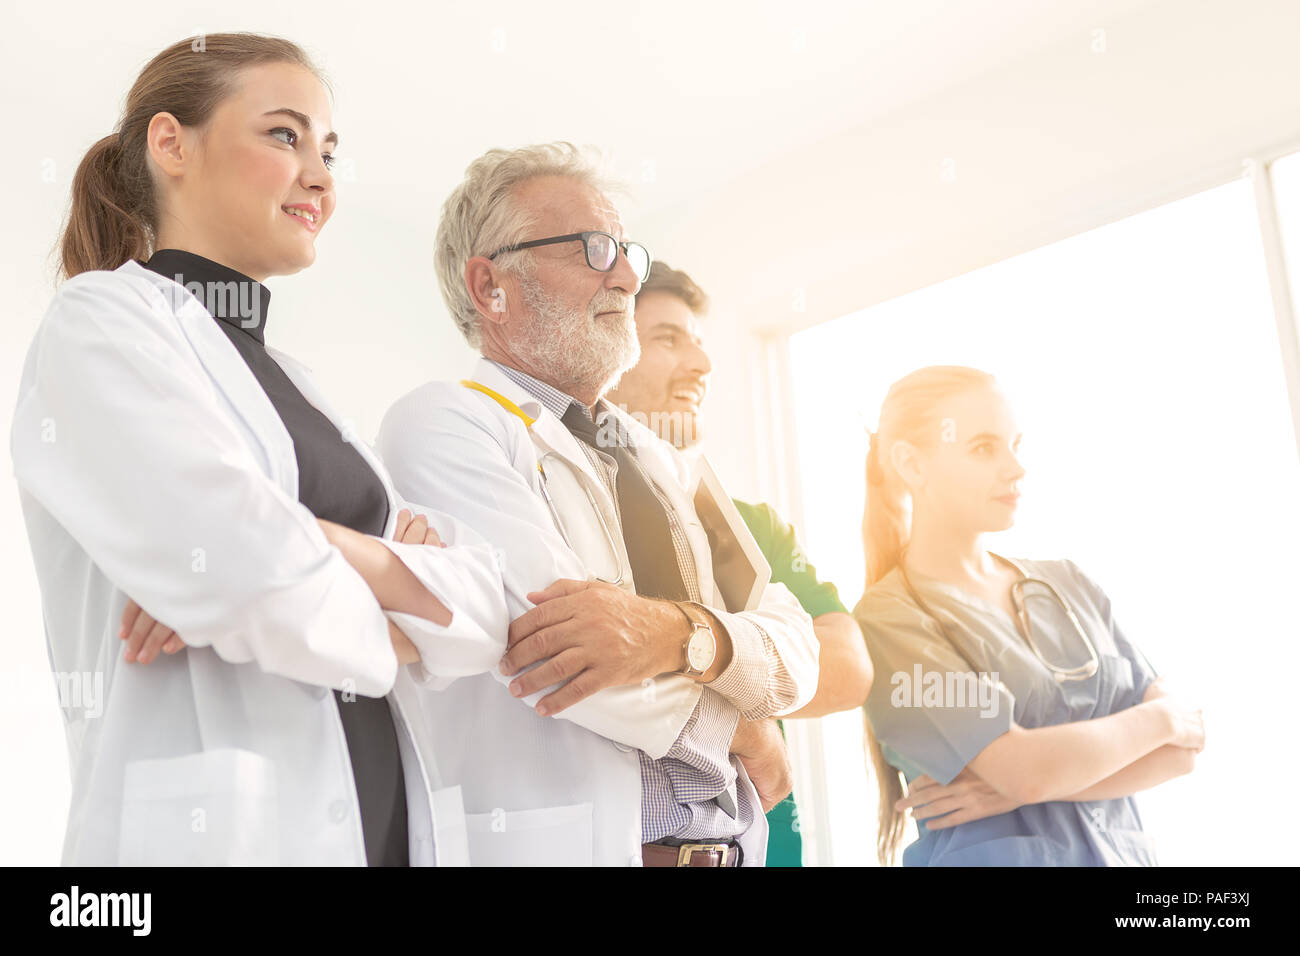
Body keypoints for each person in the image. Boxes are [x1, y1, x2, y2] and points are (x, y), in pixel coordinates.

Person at [9, 34, 509, 866]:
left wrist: (329, 545)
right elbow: (244, 573)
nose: (320, 175)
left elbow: (486, 605)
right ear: (171, 143)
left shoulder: (299, 386)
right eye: (284, 136)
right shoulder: (100, 323)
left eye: (329, 151)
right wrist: (402, 611)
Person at [376, 143, 821, 866]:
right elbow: (556, 654)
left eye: (626, 253)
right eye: (592, 249)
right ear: (491, 286)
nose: (624, 276)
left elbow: (796, 647)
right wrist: (741, 728)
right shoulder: (442, 423)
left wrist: (684, 634)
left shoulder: (668, 458)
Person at [855, 365, 1204, 866]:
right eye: (984, 447)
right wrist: (1161, 718)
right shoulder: (890, 620)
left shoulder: (1067, 583)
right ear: (912, 465)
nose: (1016, 468)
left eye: (1016, 444)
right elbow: (1025, 768)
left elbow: (1182, 750)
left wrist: (1025, 789)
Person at [605, 260, 872, 866]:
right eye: (667, 340)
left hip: (765, 846)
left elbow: (848, 667)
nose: (700, 365)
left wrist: (681, 647)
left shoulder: (751, 522)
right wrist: (758, 662)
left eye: (698, 344)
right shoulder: (572, 503)